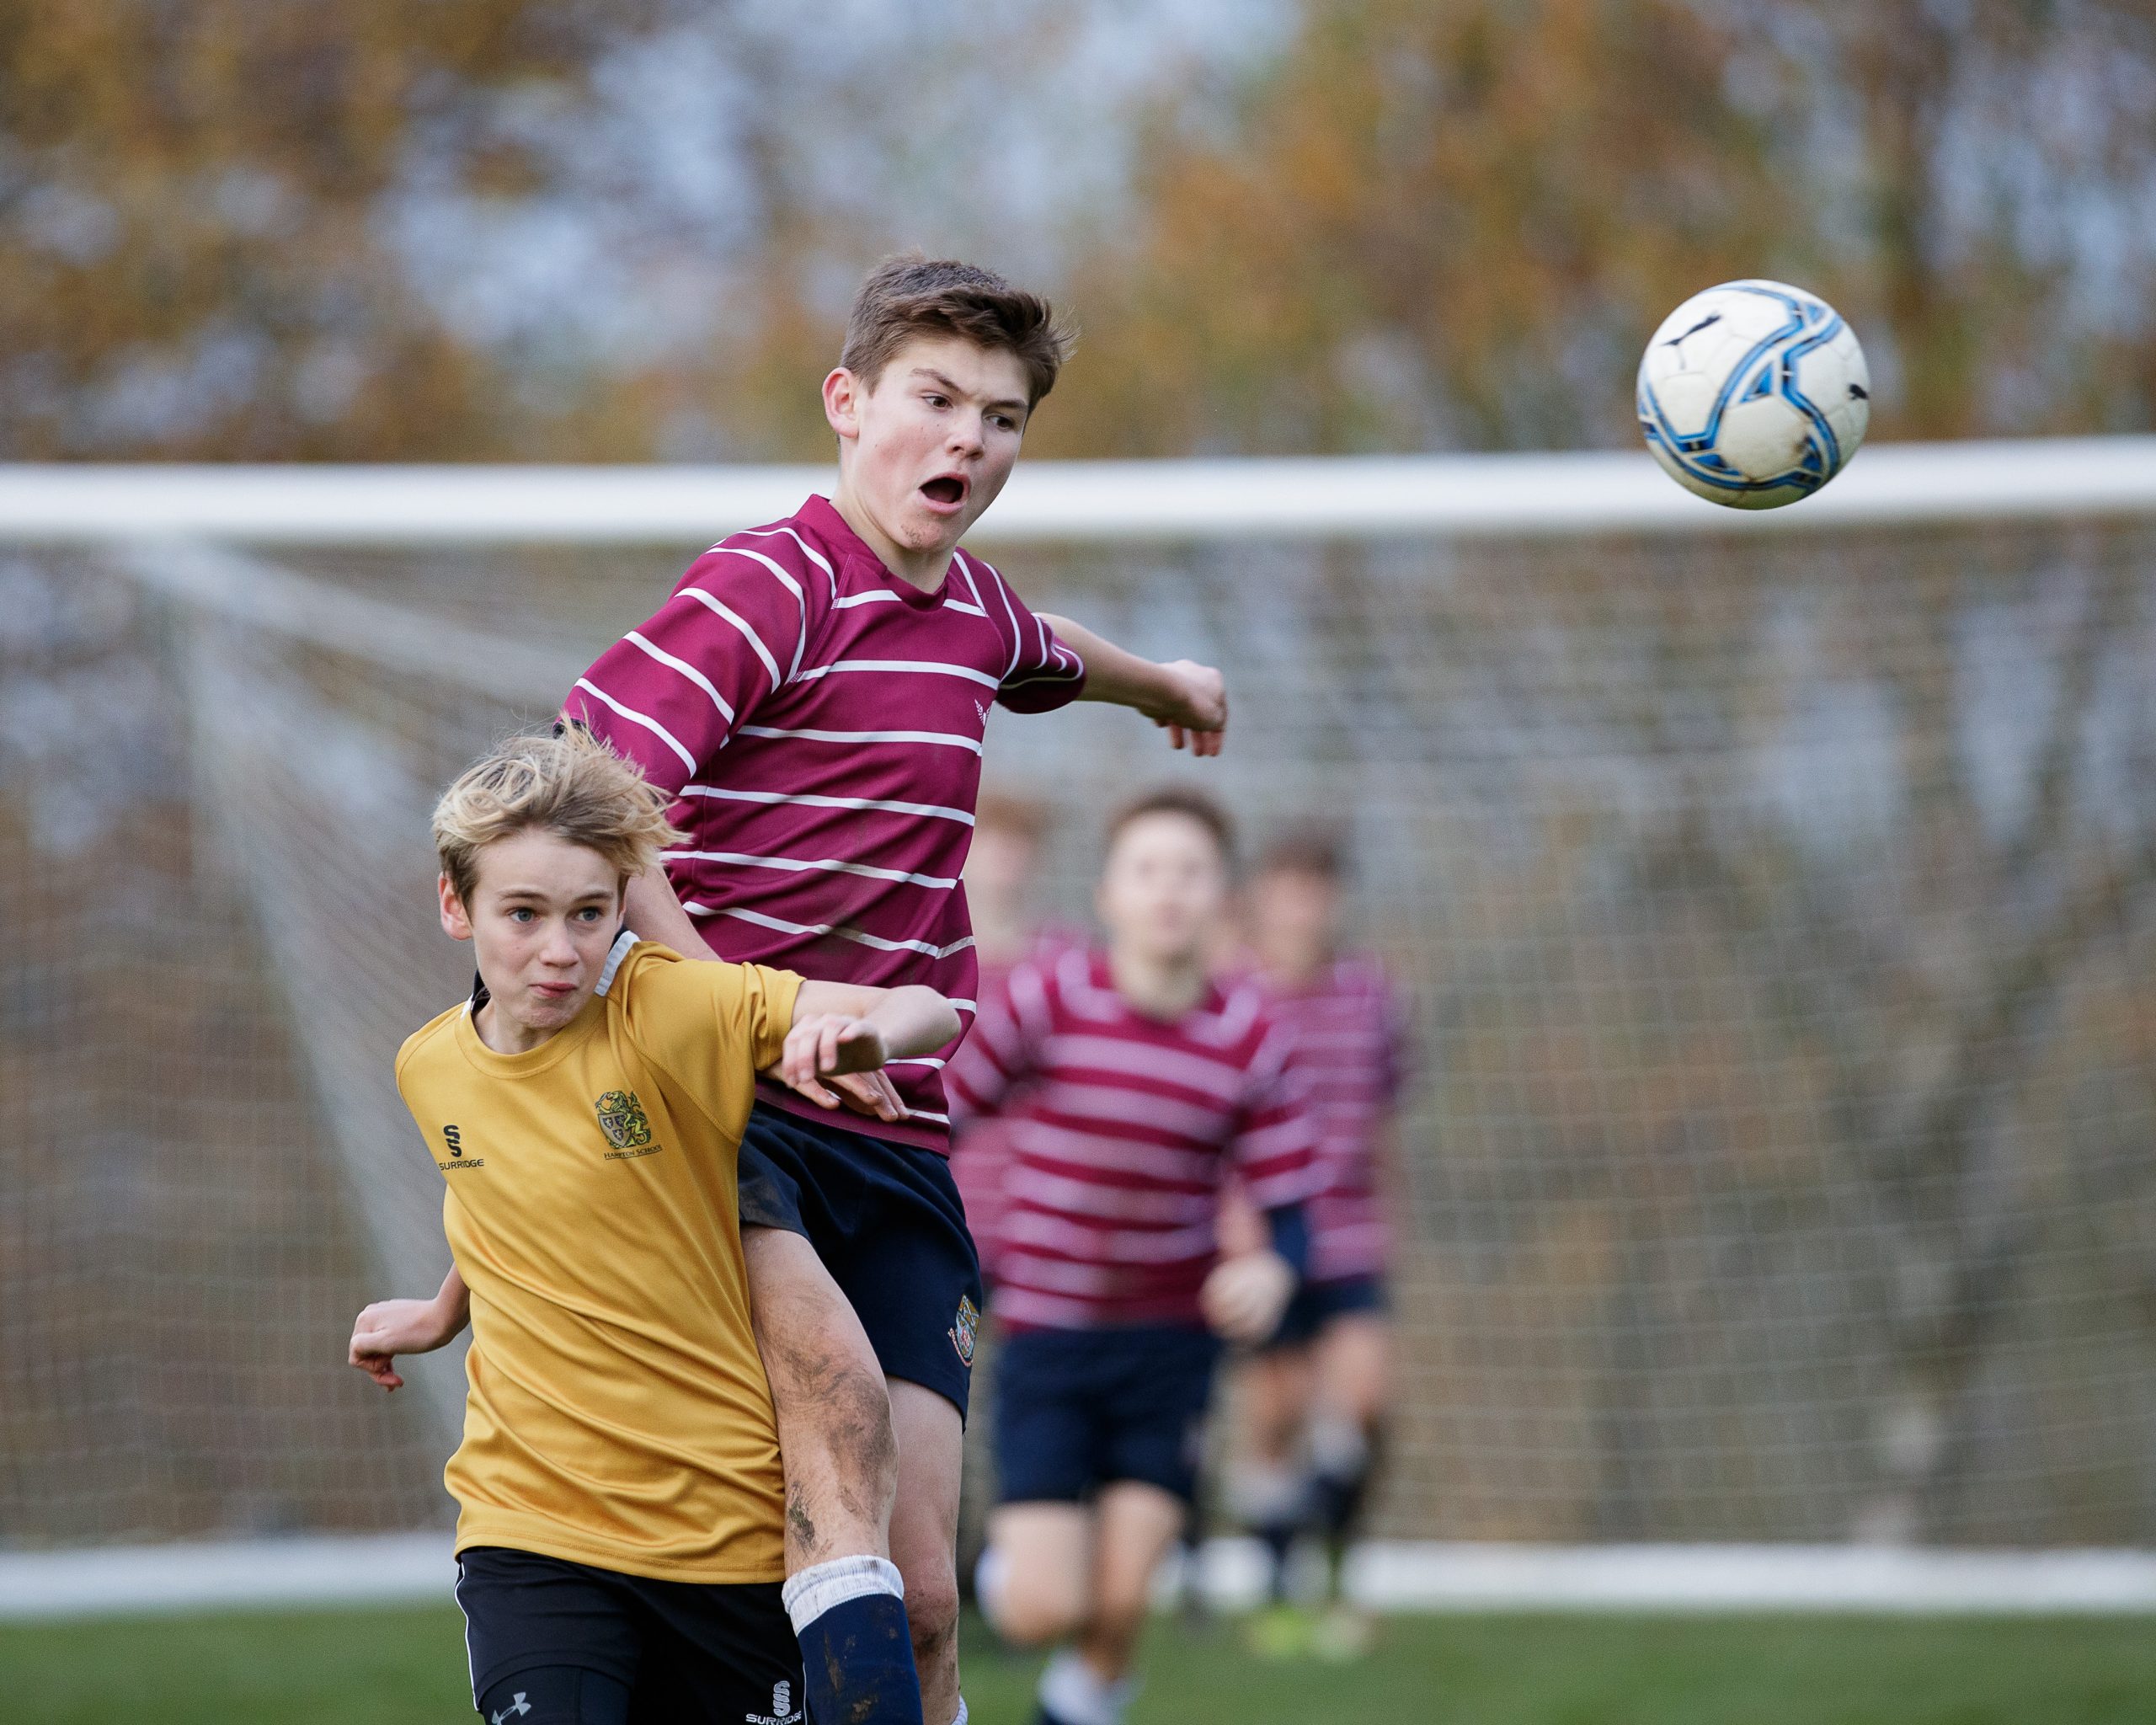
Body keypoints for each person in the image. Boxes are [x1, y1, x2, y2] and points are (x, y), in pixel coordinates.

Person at [558, 254, 1230, 1725]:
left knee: (926, 1594)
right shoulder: (771, 579)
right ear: (848, 403)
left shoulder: (974, 609)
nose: (968, 440)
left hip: (903, 1138)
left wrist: (1170, 682)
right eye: (934, 399)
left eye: (1001, 417)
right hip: (729, 1114)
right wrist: (752, 1009)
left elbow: (1050, 655)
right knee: (832, 1464)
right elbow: (596, 789)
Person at [345, 729, 960, 1725]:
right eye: (524, 913)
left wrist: (856, 1033)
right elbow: (504, 1195)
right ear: (455, 906)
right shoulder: (429, 1065)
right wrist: (441, 1309)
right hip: (531, 1526)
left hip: (723, 1536)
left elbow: (928, 1007)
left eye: (589, 913)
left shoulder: (665, 1011)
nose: (560, 948)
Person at [947, 788, 1320, 1725]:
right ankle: (1015, 1583)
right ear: (1110, 892)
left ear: (1220, 897)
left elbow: (1288, 1203)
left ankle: (1079, 1702)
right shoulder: (1050, 996)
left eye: (1191, 871)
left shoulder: (1251, 1034)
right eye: (1147, 869)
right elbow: (945, 1109)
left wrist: (1272, 1267)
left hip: (1171, 1346)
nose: (1169, 891)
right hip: (1049, 1336)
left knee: (1119, 1601)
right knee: (1046, 1605)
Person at [1226, 827, 1413, 1658]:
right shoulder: (1231, 994)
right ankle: (1277, 1593)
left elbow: (1382, 1116)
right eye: (1289, 885)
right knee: (1276, 1412)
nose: (1304, 905)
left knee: (1365, 1403)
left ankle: (1335, 1558)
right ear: (1262, 895)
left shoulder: (1372, 994)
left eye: (1319, 887)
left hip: (1353, 1236)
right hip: (1264, 1237)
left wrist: (1395, 1217)